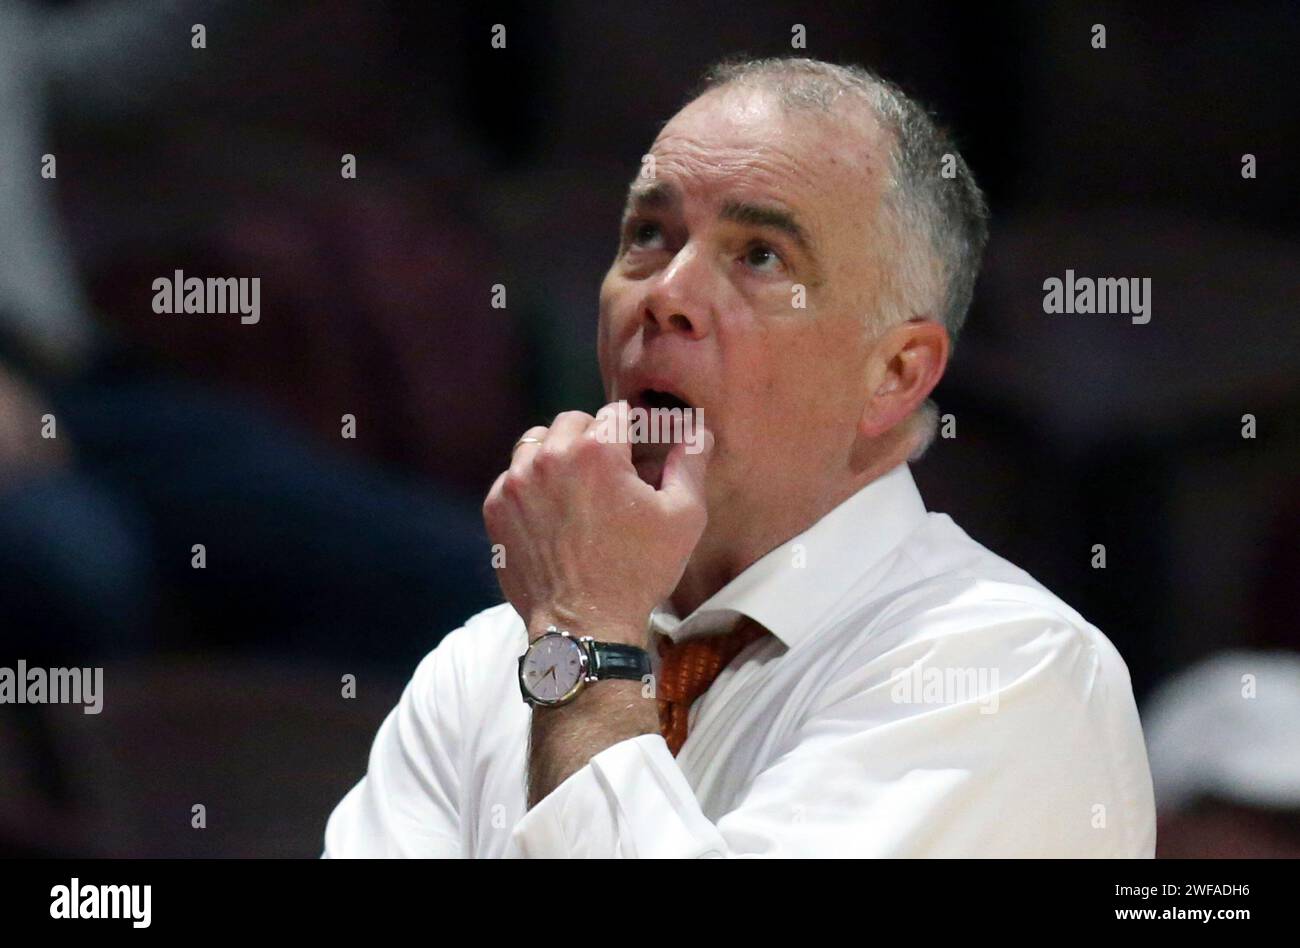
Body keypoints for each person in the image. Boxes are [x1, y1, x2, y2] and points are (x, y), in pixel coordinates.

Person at [324, 56, 1156, 858]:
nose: (665, 296)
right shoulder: (485, 666)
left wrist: (586, 645)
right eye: (648, 235)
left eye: (761, 255)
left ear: (896, 373)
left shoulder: (1004, 669)